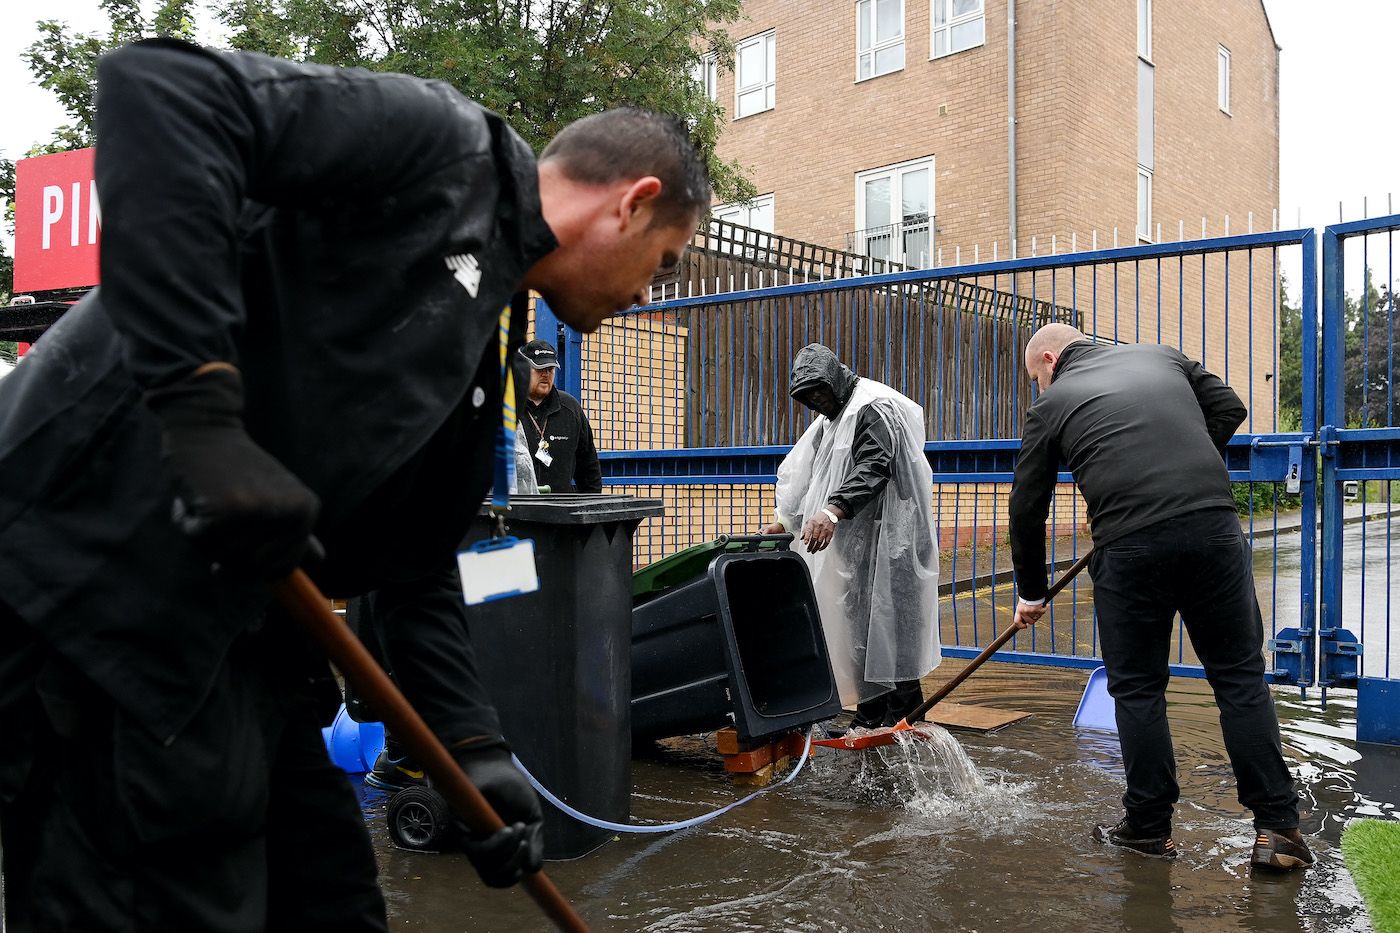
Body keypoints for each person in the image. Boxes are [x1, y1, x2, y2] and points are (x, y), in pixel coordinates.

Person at [0, 38, 707, 931]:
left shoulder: (481, 342)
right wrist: (203, 415)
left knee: (334, 902)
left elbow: (416, 566)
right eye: (667, 259)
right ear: (633, 202)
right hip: (89, 585)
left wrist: (475, 747)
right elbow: (160, 88)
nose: (650, 293)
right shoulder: (443, 150)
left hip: (246, 643)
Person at [1008, 322, 1312, 870]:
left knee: (1138, 689)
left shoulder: (1053, 404)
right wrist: (1186, 465)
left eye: (1036, 377)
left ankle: (1148, 828)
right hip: (1212, 528)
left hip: (1128, 547)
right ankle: (1277, 831)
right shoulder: (1160, 355)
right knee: (1240, 679)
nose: (1038, 387)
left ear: (1049, 360)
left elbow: (1027, 509)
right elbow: (1230, 407)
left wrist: (1031, 593)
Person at [762, 344, 941, 729]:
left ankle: (906, 718)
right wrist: (785, 519)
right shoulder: (832, 417)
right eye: (807, 397)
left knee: (894, 629)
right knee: (860, 629)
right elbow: (806, 472)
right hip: (860, 546)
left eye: (819, 392)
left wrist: (831, 511)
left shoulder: (872, 407)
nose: (815, 401)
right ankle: (873, 715)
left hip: (895, 544)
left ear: (836, 380)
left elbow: (874, 464)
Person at [517, 338, 603, 493]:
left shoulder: (570, 408)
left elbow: (589, 467)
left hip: (561, 512)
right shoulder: (507, 408)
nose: (546, 374)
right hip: (517, 511)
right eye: (539, 368)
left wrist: (590, 510)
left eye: (550, 369)